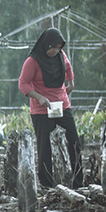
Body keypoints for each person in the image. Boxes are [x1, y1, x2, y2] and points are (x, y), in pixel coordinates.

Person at [18, 27, 83, 189]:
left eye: (59, 48)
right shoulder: (32, 61)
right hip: (42, 109)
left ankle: (77, 182)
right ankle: (47, 184)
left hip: (62, 105)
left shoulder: (61, 56)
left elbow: (68, 67)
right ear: (46, 45)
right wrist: (39, 97)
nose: (56, 51)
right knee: (44, 146)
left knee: (74, 142)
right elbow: (23, 84)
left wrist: (71, 83)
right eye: (53, 47)